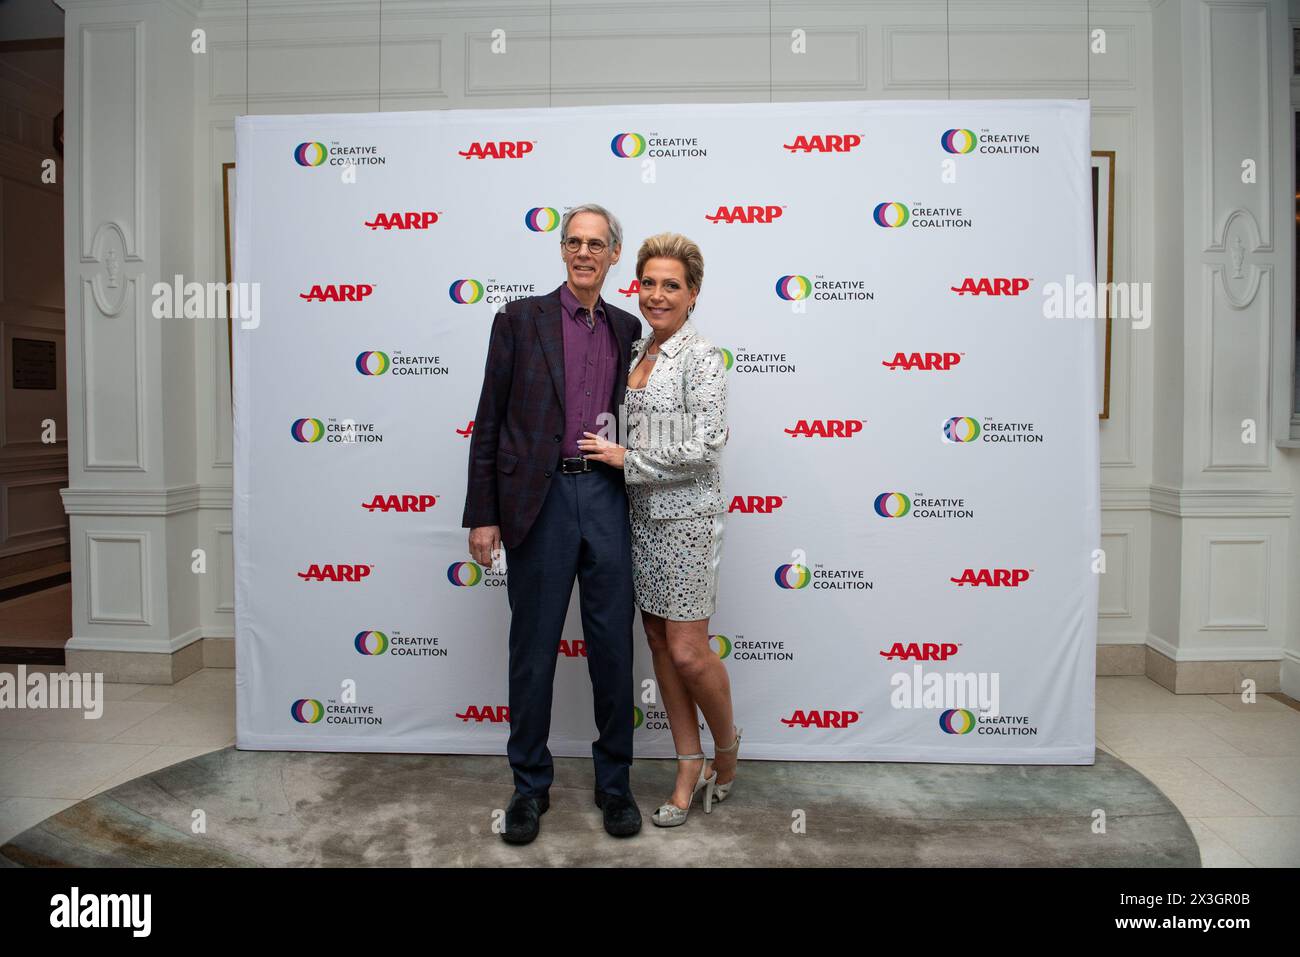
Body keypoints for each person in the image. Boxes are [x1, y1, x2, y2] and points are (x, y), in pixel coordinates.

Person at [463, 203, 643, 844]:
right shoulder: (518, 319)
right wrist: (483, 514)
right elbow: (490, 418)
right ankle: (529, 788)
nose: (584, 253)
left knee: (613, 651)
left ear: (614, 254)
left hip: (607, 500)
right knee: (533, 653)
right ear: (561, 250)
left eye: (596, 243)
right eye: (573, 241)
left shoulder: (629, 329)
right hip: (536, 506)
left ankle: (615, 786)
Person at [577, 232, 741, 827]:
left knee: (689, 652)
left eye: (671, 285)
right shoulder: (638, 350)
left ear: (693, 293)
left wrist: (627, 459)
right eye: (648, 282)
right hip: (639, 521)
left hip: (688, 520)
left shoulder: (702, 357)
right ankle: (687, 762)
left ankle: (726, 752)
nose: (657, 294)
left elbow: (707, 444)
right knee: (658, 648)